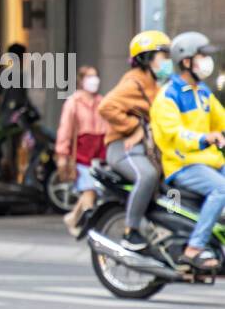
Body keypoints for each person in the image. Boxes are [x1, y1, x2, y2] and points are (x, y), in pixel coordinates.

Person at [149, 31, 225, 271]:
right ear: (186, 61)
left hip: (208, 161)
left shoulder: (202, 92)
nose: (206, 61)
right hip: (182, 164)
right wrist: (205, 138)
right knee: (221, 189)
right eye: (202, 56)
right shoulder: (168, 96)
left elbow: (221, 120)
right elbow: (174, 134)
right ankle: (195, 247)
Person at [98, 30, 172, 251]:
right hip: (123, 149)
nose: (167, 62)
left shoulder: (156, 86)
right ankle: (131, 232)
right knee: (147, 175)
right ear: (146, 58)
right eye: (163, 56)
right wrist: (135, 126)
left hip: (145, 149)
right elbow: (106, 107)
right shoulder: (133, 83)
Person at [55, 65, 107, 237]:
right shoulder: (74, 103)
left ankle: (73, 218)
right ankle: (90, 227)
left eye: (96, 76)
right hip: (82, 152)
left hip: (99, 152)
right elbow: (65, 129)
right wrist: (62, 154)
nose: (94, 80)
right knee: (89, 190)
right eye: (90, 77)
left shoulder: (102, 101)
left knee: (91, 190)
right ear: (81, 80)